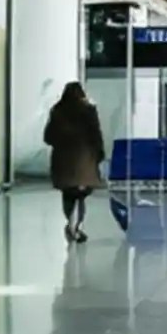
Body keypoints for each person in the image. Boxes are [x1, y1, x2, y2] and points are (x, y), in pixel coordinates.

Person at [44, 82, 105, 244]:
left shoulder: (57, 111)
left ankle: (71, 224)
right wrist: (99, 154)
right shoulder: (89, 111)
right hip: (84, 159)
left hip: (62, 160)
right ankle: (76, 226)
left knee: (68, 194)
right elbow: (96, 134)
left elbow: (48, 137)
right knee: (81, 194)